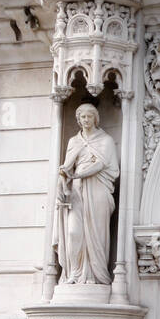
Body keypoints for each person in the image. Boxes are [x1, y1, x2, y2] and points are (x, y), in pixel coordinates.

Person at [55, 102, 119, 286]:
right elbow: (67, 166)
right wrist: (64, 178)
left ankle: (95, 275)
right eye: (82, 117)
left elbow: (101, 164)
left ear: (95, 118)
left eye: (89, 116)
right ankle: (74, 274)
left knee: (96, 232)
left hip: (98, 188)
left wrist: (79, 173)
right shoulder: (74, 142)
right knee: (74, 232)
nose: (85, 120)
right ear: (78, 119)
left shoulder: (105, 140)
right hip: (76, 189)